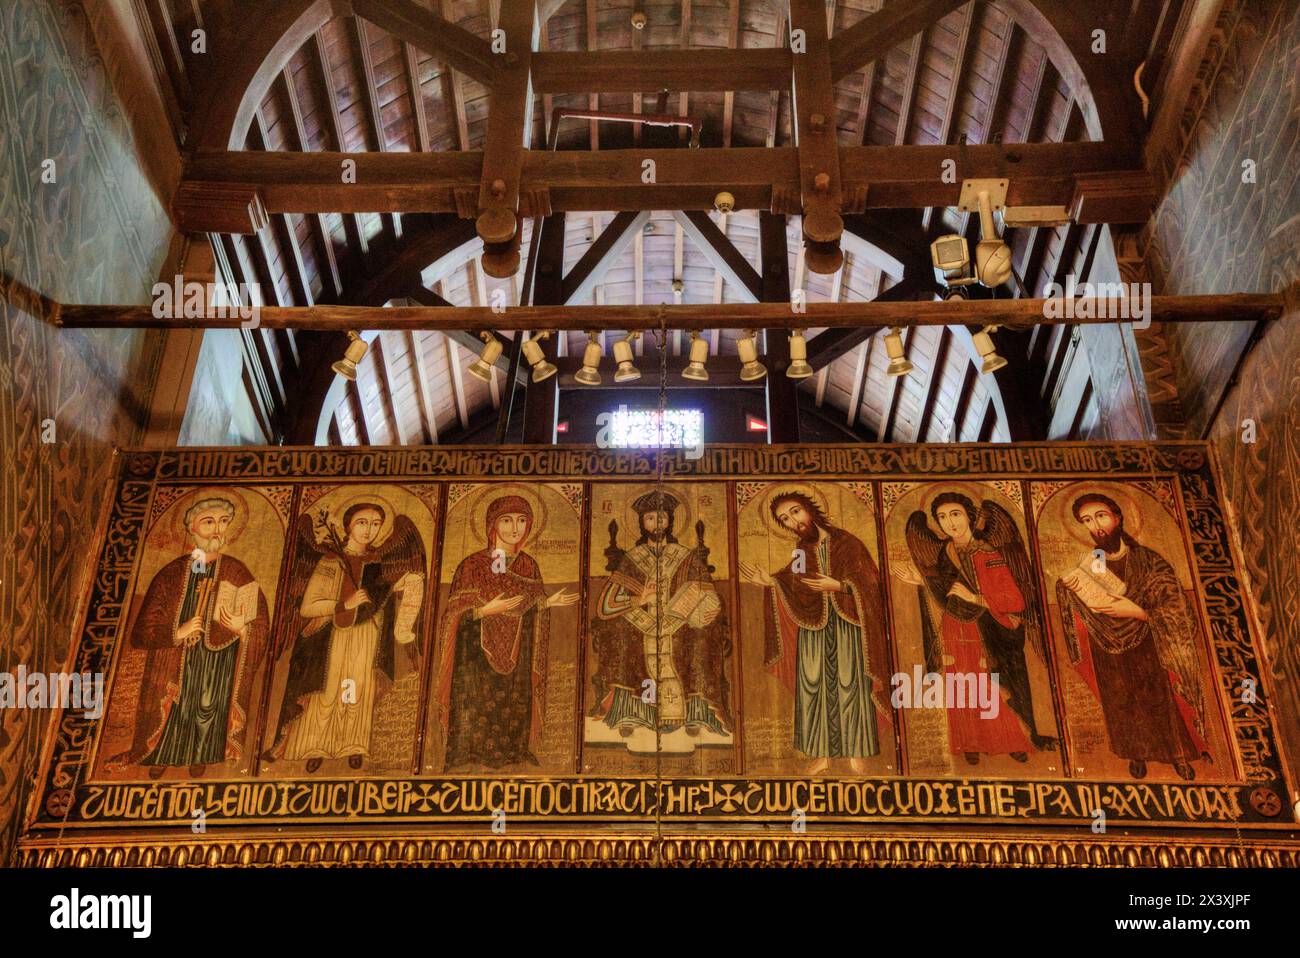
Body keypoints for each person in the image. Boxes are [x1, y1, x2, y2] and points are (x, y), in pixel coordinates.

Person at [112, 497, 268, 779]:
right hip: (174, 658)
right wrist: (177, 632)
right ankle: (159, 753)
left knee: (208, 704)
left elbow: (259, 624)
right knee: (176, 705)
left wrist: (242, 629)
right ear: (191, 528)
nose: (217, 530)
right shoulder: (170, 574)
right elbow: (141, 632)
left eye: (223, 522)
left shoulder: (237, 571)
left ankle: (203, 755)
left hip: (219, 661)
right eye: (209, 522)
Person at [897, 492, 1057, 766]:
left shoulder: (988, 553)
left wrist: (977, 599)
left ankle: (1011, 740)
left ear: (969, 515)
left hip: (989, 628)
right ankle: (968, 742)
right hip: (955, 626)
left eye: (955, 514)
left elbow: (1014, 600)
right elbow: (943, 591)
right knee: (960, 684)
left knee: (989, 684)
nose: (950, 523)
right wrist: (921, 581)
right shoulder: (943, 554)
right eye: (942, 517)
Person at [1057, 492, 1207, 780]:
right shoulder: (1091, 562)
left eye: (1101, 516)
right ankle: (1135, 753)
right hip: (1107, 647)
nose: (1096, 526)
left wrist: (1139, 613)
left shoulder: (1148, 560)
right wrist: (1067, 588)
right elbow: (1086, 601)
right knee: (1120, 701)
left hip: (1150, 641)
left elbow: (1176, 607)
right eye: (1087, 521)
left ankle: (1177, 756)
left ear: (1117, 517)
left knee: (1158, 699)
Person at [741, 491, 891, 774]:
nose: (793, 521)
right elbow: (794, 581)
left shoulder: (847, 543)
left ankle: (855, 753)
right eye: (785, 519)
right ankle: (821, 754)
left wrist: (841, 587)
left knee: (851, 684)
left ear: (810, 509)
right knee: (814, 686)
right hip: (814, 627)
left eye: (795, 512)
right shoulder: (801, 551)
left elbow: (870, 583)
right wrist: (772, 582)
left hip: (848, 622)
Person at [271, 502, 425, 772]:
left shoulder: (378, 562)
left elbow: (385, 592)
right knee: (330, 691)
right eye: (362, 522)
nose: (369, 530)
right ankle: (315, 746)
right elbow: (308, 607)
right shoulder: (330, 562)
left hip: (366, 639)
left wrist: (408, 583)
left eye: (376, 523)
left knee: (356, 692)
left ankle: (352, 744)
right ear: (348, 527)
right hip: (330, 640)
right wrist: (345, 603)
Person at [436, 495, 576, 769]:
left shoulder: (528, 566)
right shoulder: (472, 565)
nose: (516, 528)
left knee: (516, 698)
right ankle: (467, 751)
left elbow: (527, 606)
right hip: (475, 652)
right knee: (476, 700)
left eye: (522, 521)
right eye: (507, 521)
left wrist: (547, 603)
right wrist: (483, 612)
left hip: (518, 649)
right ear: (492, 525)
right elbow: (452, 614)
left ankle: (515, 750)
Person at [589, 490, 731, 748]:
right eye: (651, 518)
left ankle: (694, 713)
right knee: (623, 637)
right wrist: (638, 600)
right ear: (642, 523)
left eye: (662, 518)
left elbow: (708, 593)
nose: (657, 524)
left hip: (679, 624)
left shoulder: (685, 556)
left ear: (670, 521)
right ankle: (632, 713)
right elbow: (604, 607)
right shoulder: (632, 559)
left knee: (698, 638)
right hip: (640, 623)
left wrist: (710, 610)